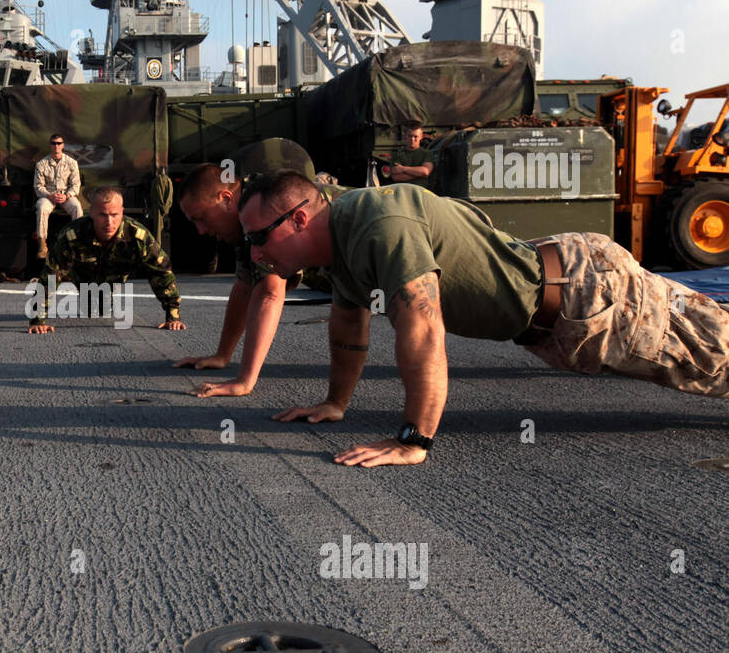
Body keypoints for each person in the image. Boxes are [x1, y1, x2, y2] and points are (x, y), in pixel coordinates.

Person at [238, 171, 729, 467]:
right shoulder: (341, 243)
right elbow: (348, 327)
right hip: (565, 312)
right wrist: (335, 404)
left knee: (716, 364)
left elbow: (423, 329)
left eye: (257, 238)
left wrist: (413, 440)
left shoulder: (377, 225)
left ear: (298, 219)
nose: (255, 252)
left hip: (593, 297)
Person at [174, 162, 298, 397]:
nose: (201, 230)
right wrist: (222, 356)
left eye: (201, 218)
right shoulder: (243, 214)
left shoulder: (263, 206)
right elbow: (245, 287)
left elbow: (270, 292)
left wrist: (243, 382)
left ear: (226, 198)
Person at [28, 186, 185, 334]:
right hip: (82, 276)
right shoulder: (72, 236)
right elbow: (51, 275)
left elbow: (161, 272)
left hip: (113, 279)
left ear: (122, 212)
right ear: (92, 213)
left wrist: (173, 316)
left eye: (114, 215)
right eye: (103, 215)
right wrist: (37, 320)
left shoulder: (138, 236)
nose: (109, 222)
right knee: (86, 306)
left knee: (97, 311)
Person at [34, 132, 82, 259]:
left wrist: (67, 196)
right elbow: (38, 186)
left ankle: (77, 242)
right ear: (50, 146)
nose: (56, 146)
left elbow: (76, 184)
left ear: (63, 145)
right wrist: (50, 196)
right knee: (41, 207)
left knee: (77, 207)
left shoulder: (71, 163)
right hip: (49, 196)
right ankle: (42, 244)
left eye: (59, 143)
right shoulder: (41, 164)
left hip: (65, 195)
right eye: (54, 143)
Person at [380, 122, 434, 187]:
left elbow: (425, 172)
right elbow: (396, 177)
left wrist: (403, 169)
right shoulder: (397, 155)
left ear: (421, 137)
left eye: (415, 136)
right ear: (405, 136)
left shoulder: (427, 153)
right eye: (410, 136)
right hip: (403, 191)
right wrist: (419, 174)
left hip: (422, 190)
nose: (412, 139)